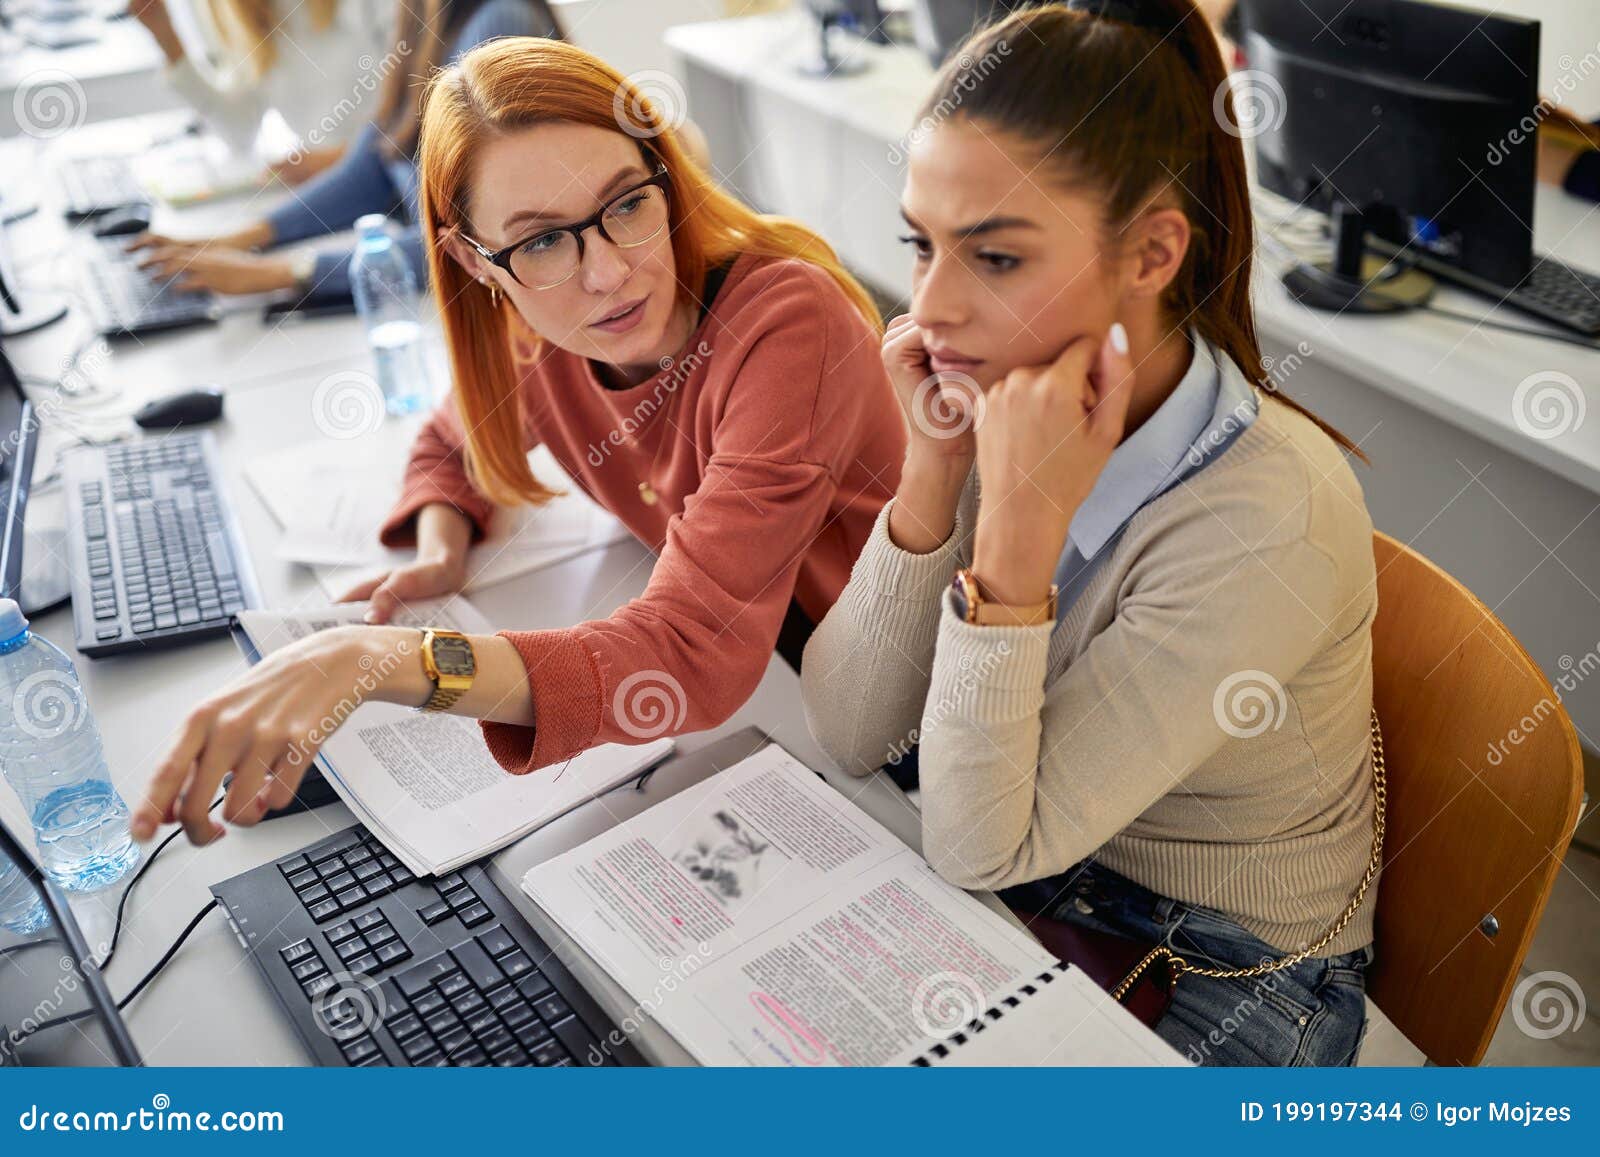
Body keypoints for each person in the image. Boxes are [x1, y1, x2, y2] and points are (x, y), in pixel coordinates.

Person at [130, 39, 904, 847]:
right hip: (773, 701)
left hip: (880, 718)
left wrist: (379, 659)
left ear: (665, 176)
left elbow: (686, 651)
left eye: (627, 204)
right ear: (476, 262)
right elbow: (449, 444)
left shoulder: (788, 324)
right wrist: (442, 548)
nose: (607, 272)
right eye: (540, 241)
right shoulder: (543, 330)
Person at [801, 0, 1380, 1067]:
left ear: (1153, 250)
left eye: (994, 257)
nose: (930, 306)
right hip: (1046, 880)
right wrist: (932, 475)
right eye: (920, 246)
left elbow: (974, 845)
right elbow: (847, 730)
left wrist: (1015, 544)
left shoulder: (1267, 519)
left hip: (1226, 966)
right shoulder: (1012, 391)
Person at [127, 0, 564, 298]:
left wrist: (283, 273)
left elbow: (471, 249)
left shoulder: (500, 24)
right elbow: (373, 164)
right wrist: (240, 240)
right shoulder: (429, 15)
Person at [128, 0, 393, 183]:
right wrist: (169, 42)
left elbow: (417, 107)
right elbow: (239, 131)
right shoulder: (256, 18)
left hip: (392, 179)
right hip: (334, 188)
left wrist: (346, 156)